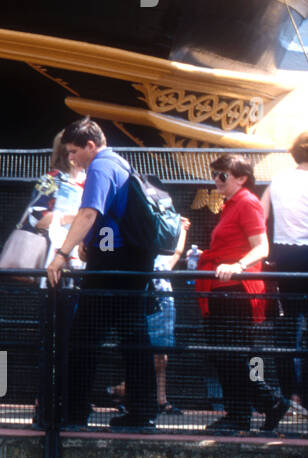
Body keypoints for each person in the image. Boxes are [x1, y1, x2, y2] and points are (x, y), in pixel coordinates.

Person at [47, 118, 156, 429]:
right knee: (133, 335)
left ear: (90, 146)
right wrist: (88, 242)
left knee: (84, 336)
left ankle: (73, 410)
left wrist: (61, 254)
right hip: (130, 261)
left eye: (72, 151)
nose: (71, 158)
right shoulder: (120, 162)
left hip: (113, 265)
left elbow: (89, 212)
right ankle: (142, 411)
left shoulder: (99, 166)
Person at [198, 154, 290, 433]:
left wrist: (237, 266)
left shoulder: (246, 202)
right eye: (215, 174)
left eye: (222, 175)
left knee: (233, 353)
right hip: (224, 290)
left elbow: (262, 247)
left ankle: (260, 405)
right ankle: (249, 409)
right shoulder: (232, 205)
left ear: (241, 178)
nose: (216, 180)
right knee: (227, 353)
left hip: (236, 291)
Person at [108, 217, 190, 417]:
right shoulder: (137, 251)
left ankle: (157, 398)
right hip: (141, 297)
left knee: (161, 353)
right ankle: (130, 391)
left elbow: (175, 255)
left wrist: (183, 231)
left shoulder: (162, 259)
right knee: (142, 351)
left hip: (161, 299)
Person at [261, 130, 308, 407]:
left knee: (287, 328)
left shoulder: (277, 181)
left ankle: (291, 395)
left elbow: (260, 215)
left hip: (284, 256)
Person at [31, 130, 86, 269]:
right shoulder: (51, 180)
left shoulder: (90, 178)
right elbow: (36, 219)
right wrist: (75, 218)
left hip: (83, 254)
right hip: (55, 254)